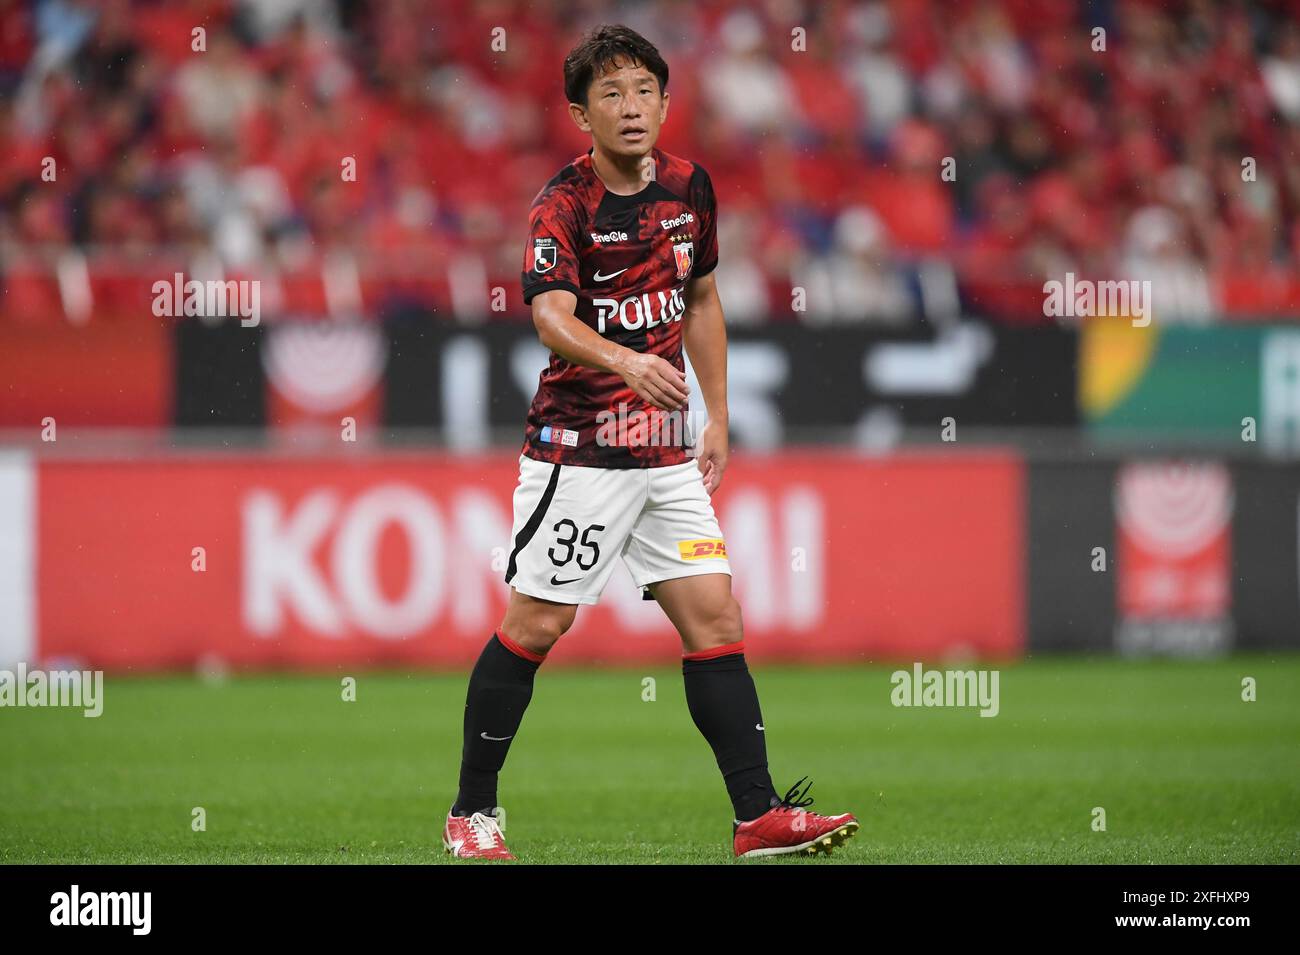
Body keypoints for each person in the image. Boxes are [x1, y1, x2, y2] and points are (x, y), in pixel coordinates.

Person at [443, 24, 858, 861]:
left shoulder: (690, 188)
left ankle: (757, 815)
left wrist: (718, 413)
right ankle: (471, 814)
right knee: (538, 621)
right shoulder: (560, 204)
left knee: (715, 615)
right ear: (579, 113)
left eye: (644, 92)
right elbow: (550, 317)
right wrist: (625, 359)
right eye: (611, 94)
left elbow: (702, 300)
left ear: (666, 102)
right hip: (579, 446)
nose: (631, 108)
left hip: (666, 447)